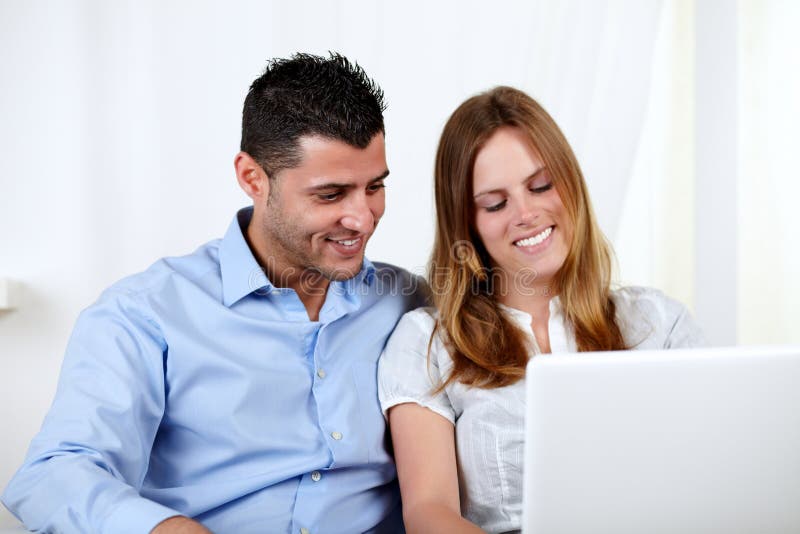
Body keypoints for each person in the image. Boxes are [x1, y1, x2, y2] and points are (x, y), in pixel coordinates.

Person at [2, 53, 426, 534]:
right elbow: (53, 475)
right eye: (330, 195)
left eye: (374, 187)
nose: (362, 218)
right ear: (252, 178)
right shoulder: (145, 313)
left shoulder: (410, 305)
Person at [378, 86, 704, 534]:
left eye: (541, 185)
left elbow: (708, 476)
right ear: (466, 223)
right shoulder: (426, 343)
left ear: (570, 184)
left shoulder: (658, 324)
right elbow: (429, 513)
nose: (526, 213)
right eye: (495, 203)